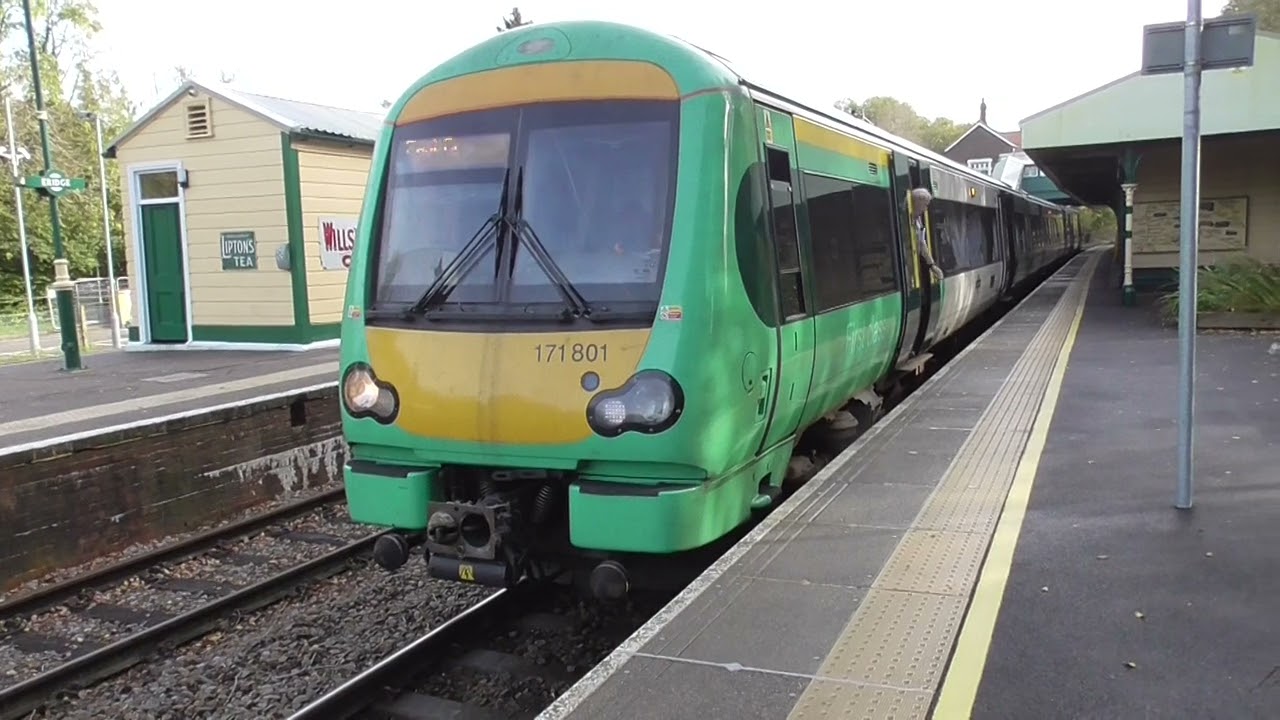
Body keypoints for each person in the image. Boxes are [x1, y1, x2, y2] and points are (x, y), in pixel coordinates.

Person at [909, 187, 944, 281]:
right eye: (925, 205)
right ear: (917, 202)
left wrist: (932, 265)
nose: (925, 209)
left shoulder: (919, 221)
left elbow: (922, 243)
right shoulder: (905, 219)